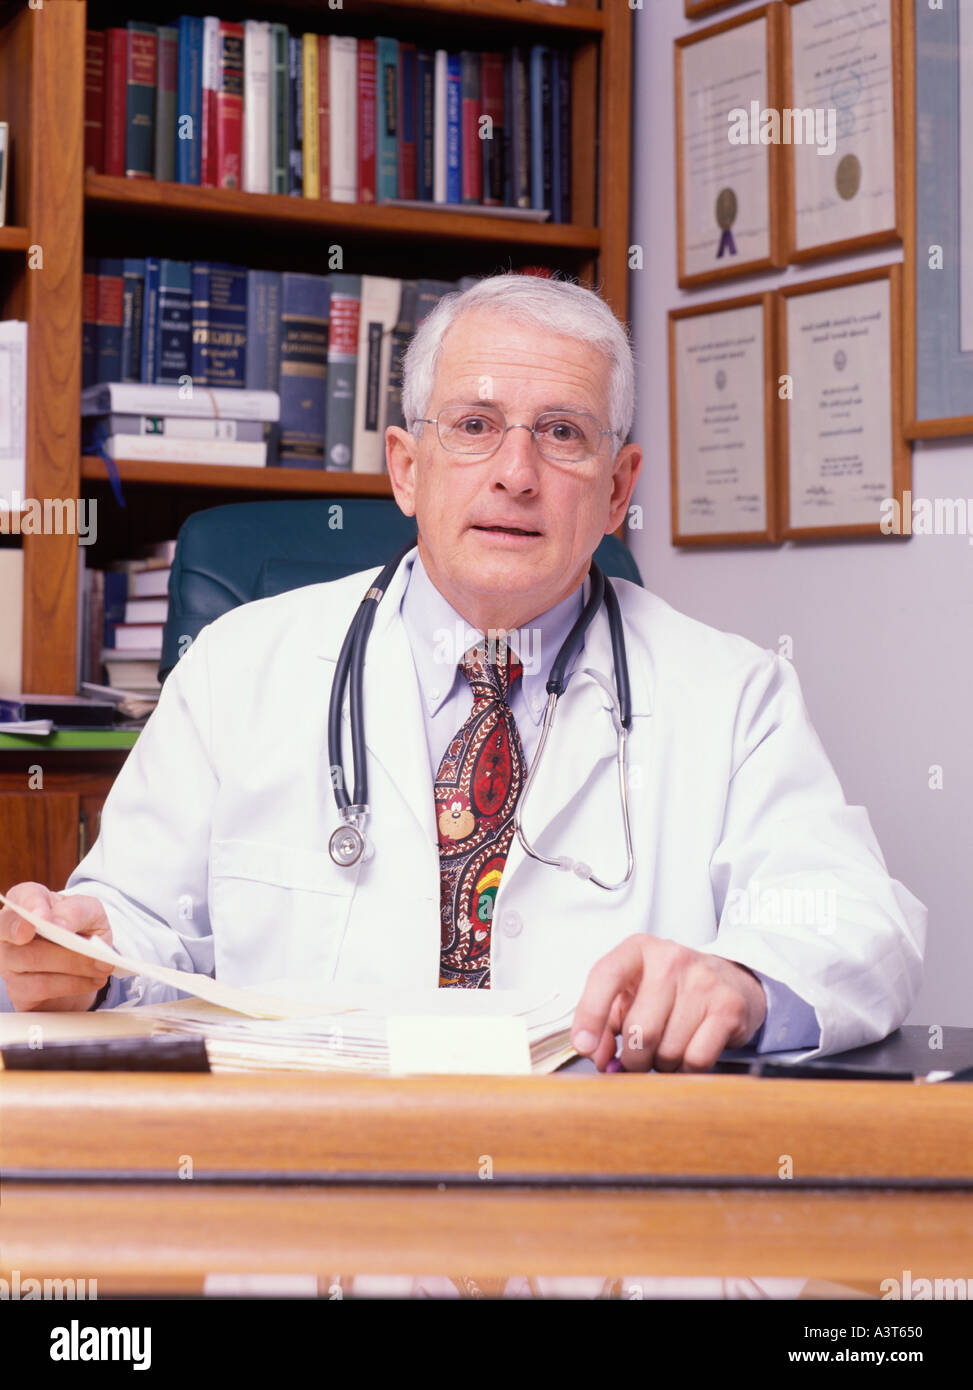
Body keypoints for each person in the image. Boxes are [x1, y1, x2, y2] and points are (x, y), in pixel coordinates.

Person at [0, 274, 925, 1071]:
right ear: (406, 467)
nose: (515, 473)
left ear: (617, 487)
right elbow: (135, 925)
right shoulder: (239, 666)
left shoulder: (732, 695)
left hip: (600, 1209)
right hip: (302, 1194)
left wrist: (744, 982)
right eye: (475, 425)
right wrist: (81, 956)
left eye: (562, 433)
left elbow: (852, 925)